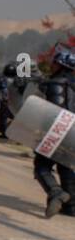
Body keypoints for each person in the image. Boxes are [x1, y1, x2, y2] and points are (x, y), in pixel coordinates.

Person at [35, 44, 75, 218]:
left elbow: (51, 112)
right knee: (65, 167)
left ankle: (55, 191)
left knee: (42, 166)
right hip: (73, 133)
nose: (52, 65)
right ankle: (71, 207)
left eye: (55, 63)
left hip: (57, 130)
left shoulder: (52, 84)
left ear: (61, 66)